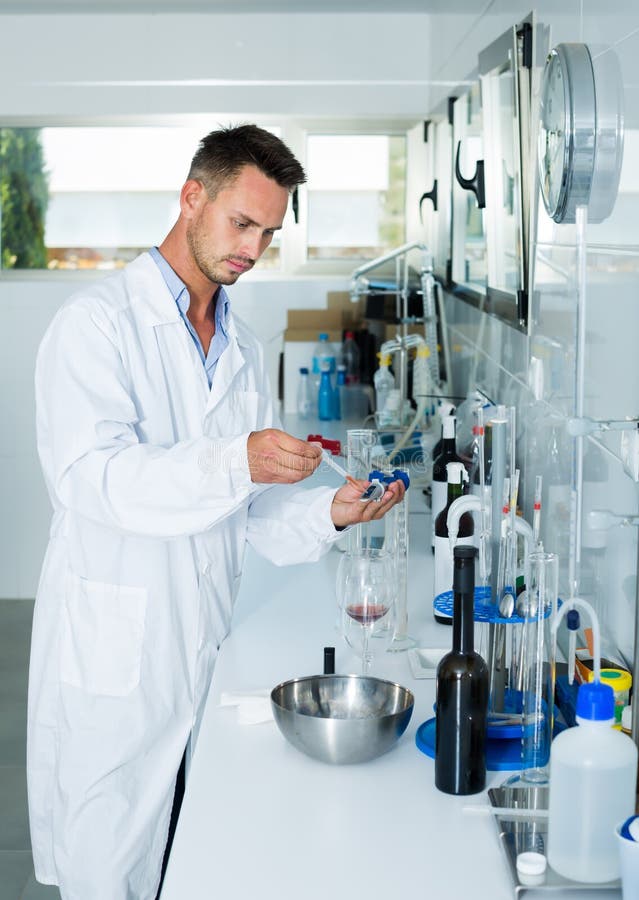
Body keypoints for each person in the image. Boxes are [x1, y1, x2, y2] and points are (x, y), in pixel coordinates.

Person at [27, 124, 404, 900]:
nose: (253, 248)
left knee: (190, 854)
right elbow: (92, 481)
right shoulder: (96, 327)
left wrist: (327, 513)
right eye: (242, 223)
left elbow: (249, 516)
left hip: (201, 642)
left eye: (268, 231)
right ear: (191, 196)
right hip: (117, 653)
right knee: (107, 867)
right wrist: (236, 459)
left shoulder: (239, 346)